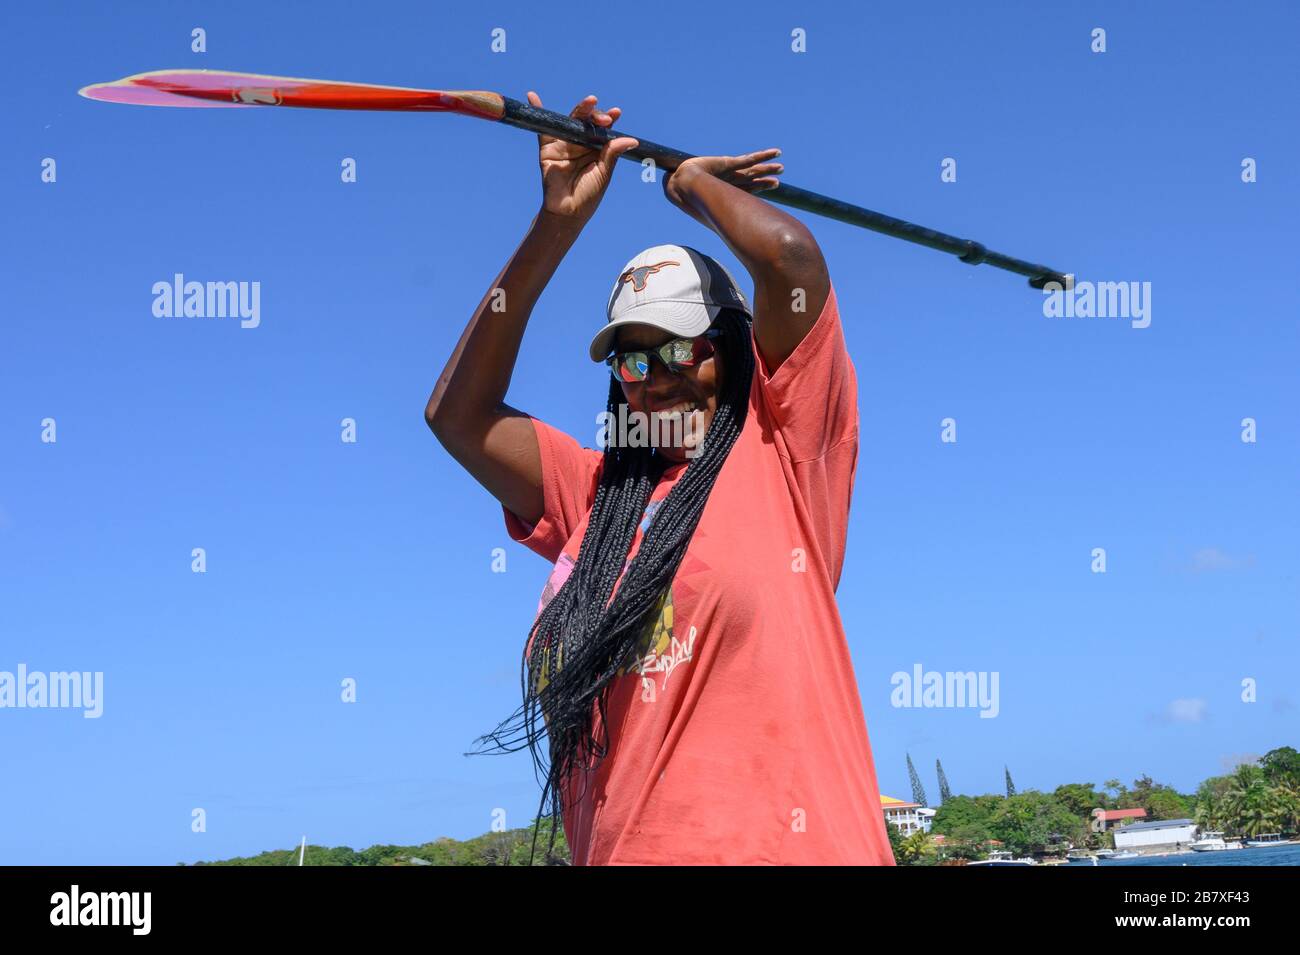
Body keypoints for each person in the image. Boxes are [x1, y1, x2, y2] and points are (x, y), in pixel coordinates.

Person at [425, 90, 895, 865]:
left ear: (734, 344)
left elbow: (792, 261)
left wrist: (691, 185)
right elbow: (457, 416)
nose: (654, 377)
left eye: (681, 348)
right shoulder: (599, 492)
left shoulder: (782, 450)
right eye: (632, 358)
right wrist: (559, 222)